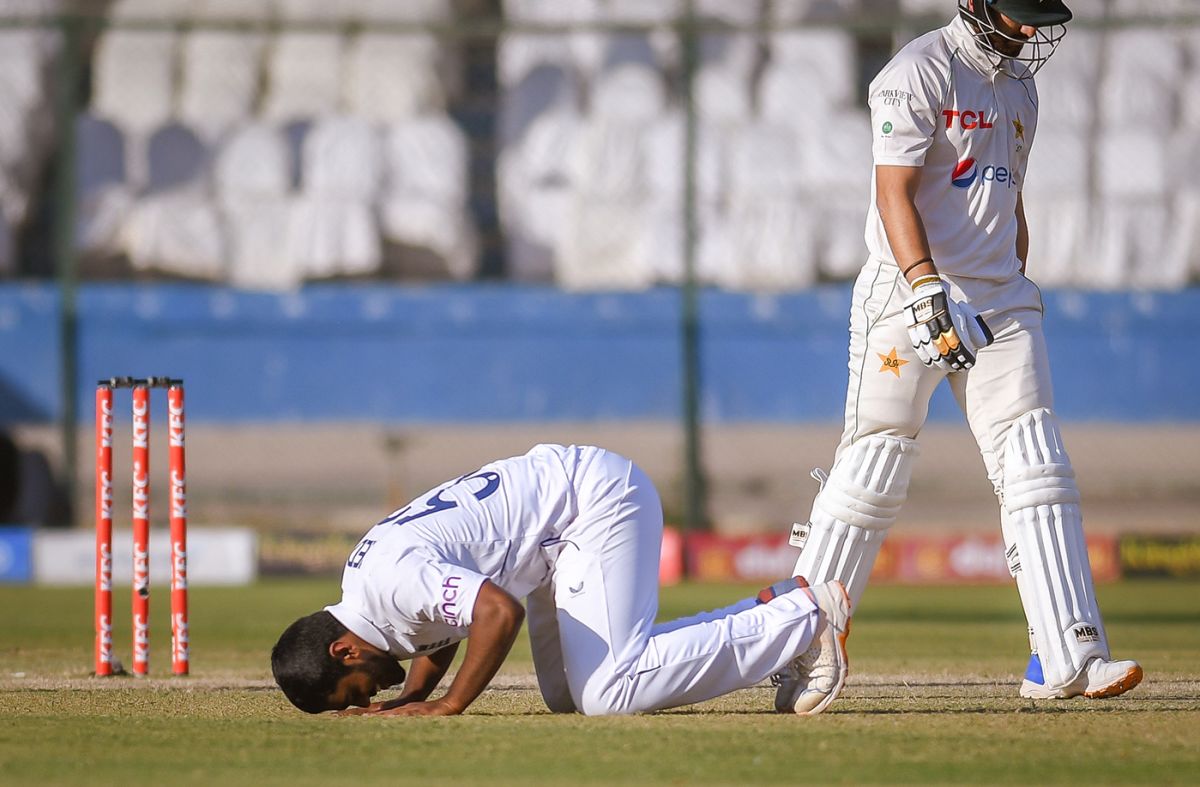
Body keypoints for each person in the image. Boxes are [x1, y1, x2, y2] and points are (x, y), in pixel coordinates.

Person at [780, 0, 1141, 702]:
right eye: (1020, 13)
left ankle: (1067, 653)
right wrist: (925, 290)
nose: (1033, 31)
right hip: (908, 293)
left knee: (1035, 458)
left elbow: (1012, 204)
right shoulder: (916, 71)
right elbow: (893, 194)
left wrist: (1011, 279)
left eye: (1041, 15)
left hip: (999, 296)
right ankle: (799, 649)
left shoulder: (1020, 87)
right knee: (872, 463)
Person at [272, 444, 852, 717]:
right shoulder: (370, 592)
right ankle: (775, 609)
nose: (368, 696)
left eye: (357, 691)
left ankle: (806, 621)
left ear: (344, 650)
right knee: (565, 697)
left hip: (591, 505)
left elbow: (497, 613)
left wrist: (447, 705)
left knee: (608, 694)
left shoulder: (389, 583)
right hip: (554, 534)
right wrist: (411, 698)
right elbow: (445, 626)